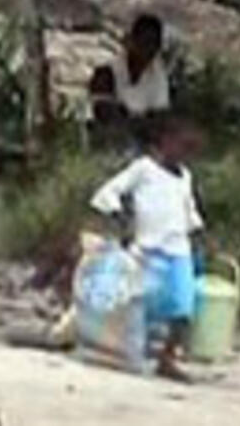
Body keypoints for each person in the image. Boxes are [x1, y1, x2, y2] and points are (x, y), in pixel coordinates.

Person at [90, 114, 206, 382]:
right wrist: (122, 221)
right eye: (180, 146)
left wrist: (200, 239)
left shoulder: (184, 177)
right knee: (137, 306)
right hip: (146, 249)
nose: (183, 154)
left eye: (188, 150)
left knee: (184, 309)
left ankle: (167, 358)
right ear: (164, 142)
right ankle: (129, 353)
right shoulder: (143, 169)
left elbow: (189, 213)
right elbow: (109, 192)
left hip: (178, 250)